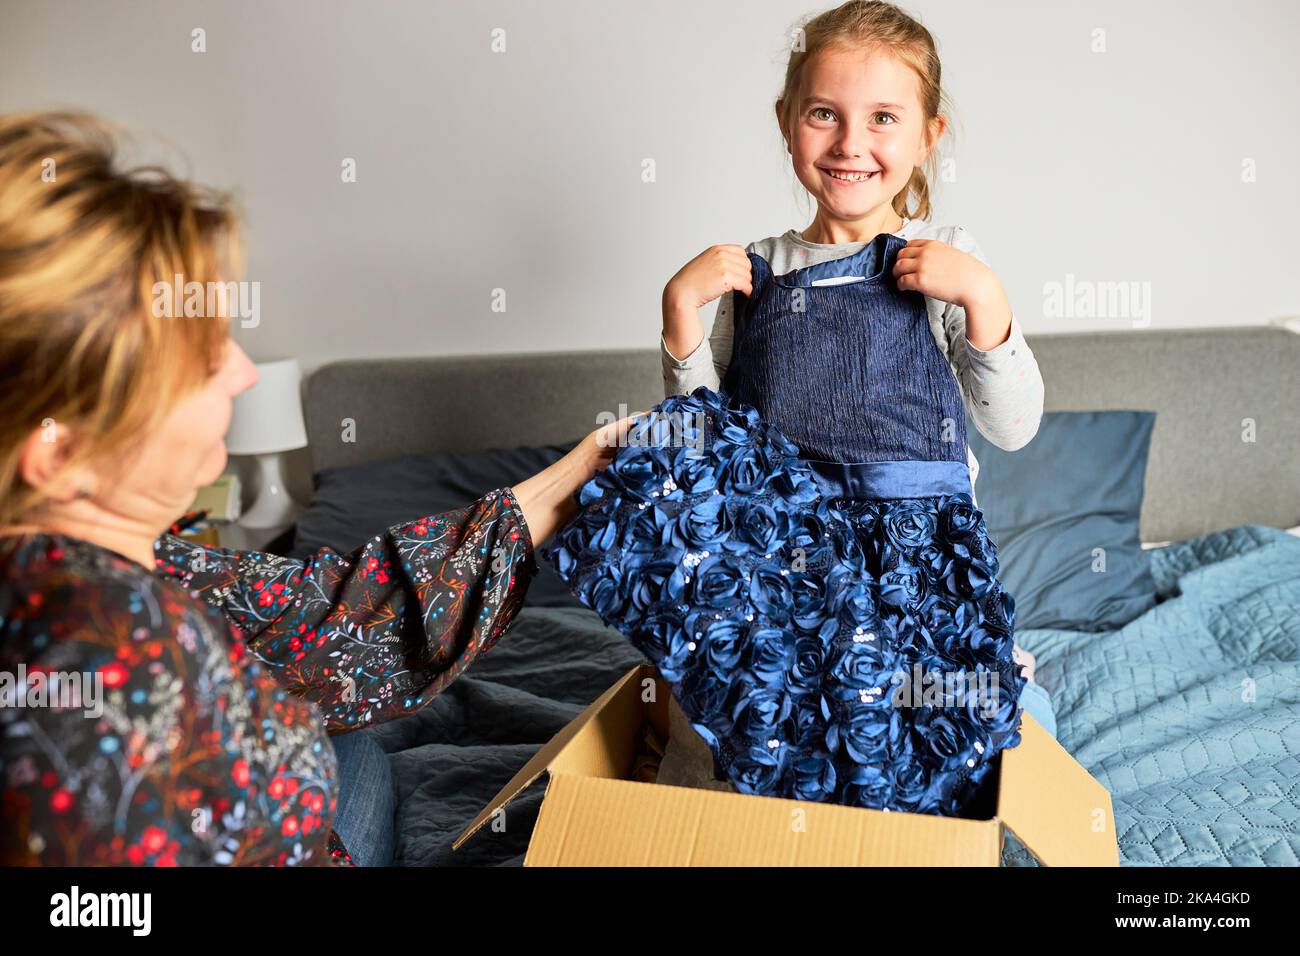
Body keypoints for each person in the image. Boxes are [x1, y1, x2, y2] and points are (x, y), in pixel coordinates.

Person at [0, 111, 629, 865]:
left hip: (291, 779)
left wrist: (581, 468)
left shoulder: (128, 565)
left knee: (351, 733)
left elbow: (320, 624)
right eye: (201, 362)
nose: (240, 372)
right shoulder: (100, 662)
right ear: (60, 449)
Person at [544, 0, 1055, 817]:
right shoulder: (754, 273)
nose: (852, 144)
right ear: (788, 123)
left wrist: (985, 300)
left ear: (929, 134)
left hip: (911, 569)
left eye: (884, 118)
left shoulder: (949, 261)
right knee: (724, 738)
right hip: (778, 566)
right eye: (825, 114)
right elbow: (703, 456)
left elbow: (1013, 424)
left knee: (970, 725)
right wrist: (681, 320)